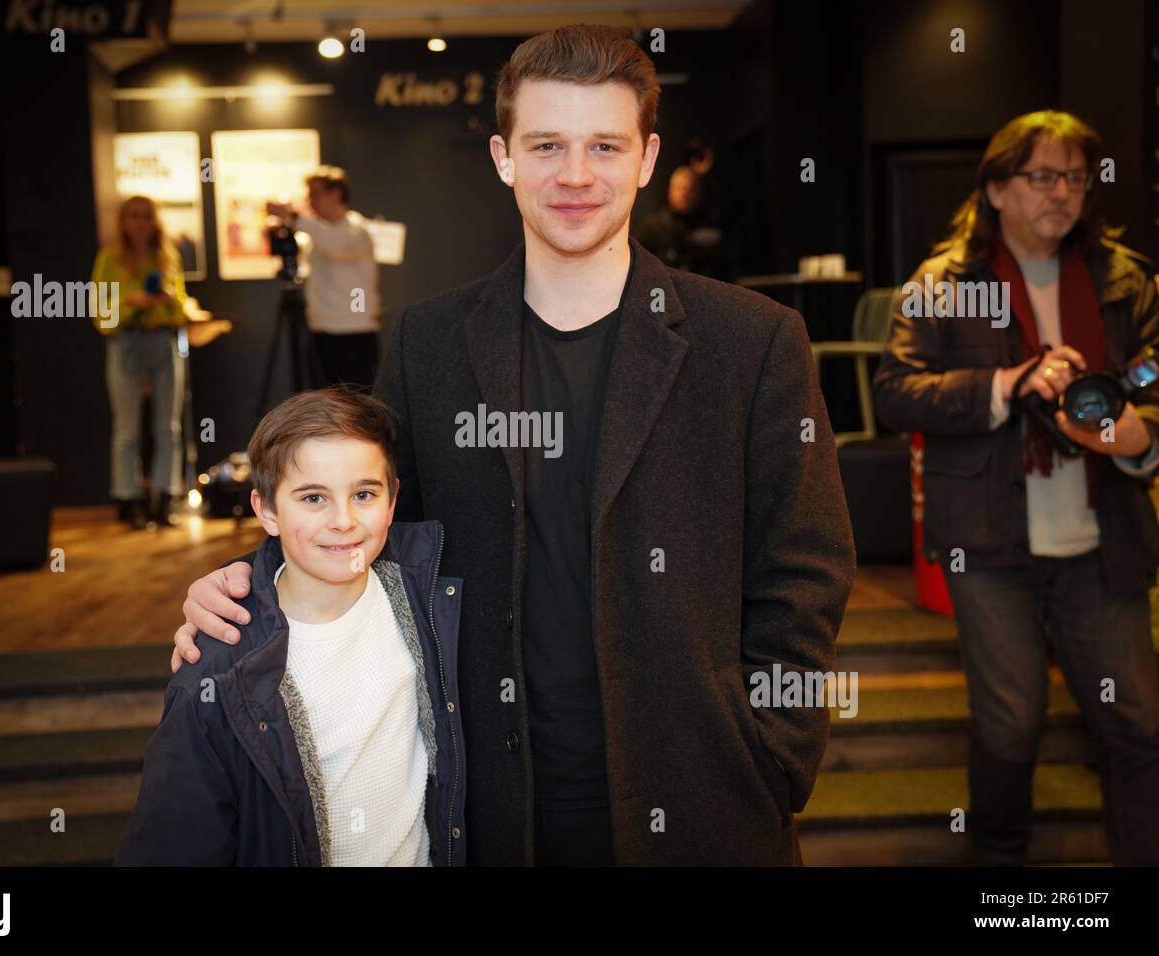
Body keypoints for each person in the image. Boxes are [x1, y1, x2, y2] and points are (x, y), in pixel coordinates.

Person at [172, 23, 854, 865]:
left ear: (645, 159)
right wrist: (249, 582)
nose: (575, 174)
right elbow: (369, 516)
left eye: (604, 145)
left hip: (706, 796)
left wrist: (775, 751)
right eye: (547, 145)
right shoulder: (431, 342)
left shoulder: (751, 341)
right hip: (490, 807)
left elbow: (807, 564)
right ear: (503, 157)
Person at [873, 110, 1159, 865]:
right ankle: (1002, 876)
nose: (1062, 193)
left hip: (1107, 540)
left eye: (1075, 177)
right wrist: (1007, 382)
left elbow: (1156, 376)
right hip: (990, 544)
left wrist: (1140, 436)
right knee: (1010, 722)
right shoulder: (946, 283)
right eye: (1043, 176)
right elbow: (896, 393)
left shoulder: (1123, 278)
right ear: (997, 188)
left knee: (1137, 725)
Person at [116, 387, 465, 865]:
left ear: (392, 501)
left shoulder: (428, 598)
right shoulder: (217, 669)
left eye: (363, 494)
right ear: (266, 511)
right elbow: (172, 844)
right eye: (313, 498)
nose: (343, 521)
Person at [91, 195, 189, 529]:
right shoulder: (109, 259)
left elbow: (181, 309)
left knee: (168, 427)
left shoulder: (167, 257)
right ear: (123, 221)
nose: (140, 223)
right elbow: (101, 315)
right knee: (127, 428)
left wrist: (168, 300)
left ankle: (164, 497)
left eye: (146, 216)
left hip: (163, 339)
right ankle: (129, 498)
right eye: (133, 216)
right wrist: (129, 302)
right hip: (126, 342)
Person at [269, 166, 380, 389]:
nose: (310, 201)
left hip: (353, 334)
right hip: (322, 331)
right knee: (327, 404)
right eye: (308, 195)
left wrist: (294, 217)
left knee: (356, 406)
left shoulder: (356, 231)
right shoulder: (317, 236)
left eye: (315, 194)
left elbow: (337, 246)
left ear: (336, 193)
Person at [634, 164, 726, 277]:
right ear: (670, 190)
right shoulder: (652, 227)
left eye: (690, 189)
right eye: (680, 188)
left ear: (699, 192)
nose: (684, 193)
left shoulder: (711, 228)